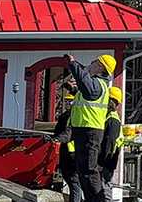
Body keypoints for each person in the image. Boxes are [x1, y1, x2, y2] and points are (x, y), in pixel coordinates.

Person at [64, 53, 117, 202]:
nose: (91, 63)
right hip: (83, 131)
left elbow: (86, 85)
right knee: (83, 172)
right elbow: (85, 89)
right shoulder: (96, 84)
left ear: (101, 67)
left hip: (90, 132)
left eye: (95, 61)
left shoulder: (98, 84)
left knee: (89, 171)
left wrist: (74, 64)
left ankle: (97, 200)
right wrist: (73, 89)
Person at [53, 88, 82, 202]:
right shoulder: (65, 116)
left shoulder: (76, 115)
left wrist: (57, 139)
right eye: (67, 101)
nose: (68, 103)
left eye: (70, 101)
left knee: (74, 183)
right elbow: (59, 131)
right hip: (66, 153)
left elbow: (69, 132)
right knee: (70, 181)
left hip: (73, 154)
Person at [99, 87, 125, 201]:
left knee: (104, 186)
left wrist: (101, 162)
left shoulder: (113, 120)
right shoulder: (109, 117)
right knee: (103, 186)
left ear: (113, 102)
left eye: (107, 99)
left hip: (107, 160)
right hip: (107, 159)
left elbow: (109, 143)